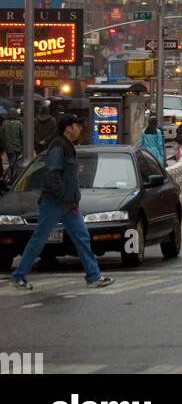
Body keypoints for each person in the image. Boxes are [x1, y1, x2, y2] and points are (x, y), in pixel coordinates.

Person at [9, 114, 114, 289]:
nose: (80, 129)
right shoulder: (59, 146)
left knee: (82, 238)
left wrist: (70, 199)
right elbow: (52, 173)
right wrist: (64, 197)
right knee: (40, 239)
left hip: (67, 203)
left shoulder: (66, 145)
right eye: (77, 125)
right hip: (55, 203)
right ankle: (19, 275)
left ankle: (93, 276)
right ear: (68, 128)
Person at [1, 105, 24, 184]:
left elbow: (2, 136)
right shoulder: (19, 123)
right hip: (16, 147)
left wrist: (3, 145)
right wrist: (22, 145)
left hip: (8, 147)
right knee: (14, 163)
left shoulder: (4, 123)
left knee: (11, 161)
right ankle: (12, 179)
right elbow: (22, 135)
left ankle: (9, 178)